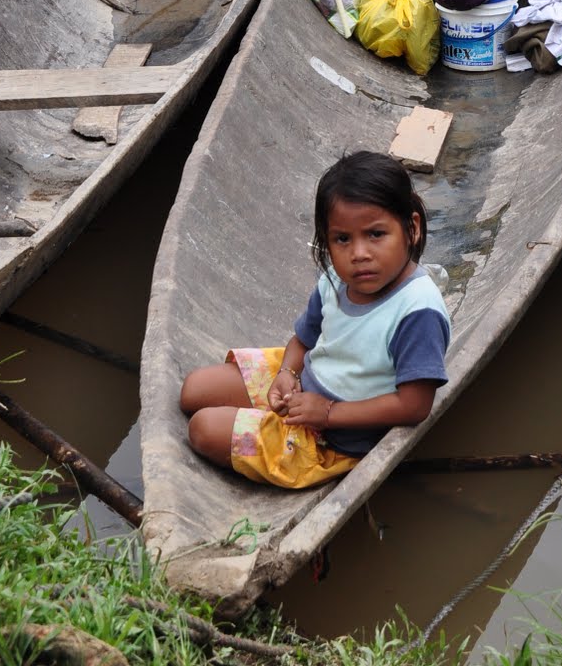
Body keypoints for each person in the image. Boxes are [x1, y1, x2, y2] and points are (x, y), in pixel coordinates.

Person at [179, 149, 451, 489]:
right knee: (194, 390)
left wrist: (328, 414)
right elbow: (304, 339)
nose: (359, 254)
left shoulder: (417, 310)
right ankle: (270, 413)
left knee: (202, 428)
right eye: (342, 239)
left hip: (334, 438)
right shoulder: (337, 281)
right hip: (309, 385)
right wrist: (287, 373)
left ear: (410, 228)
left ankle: (280, 433)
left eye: (376, 234)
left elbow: (414, 406)